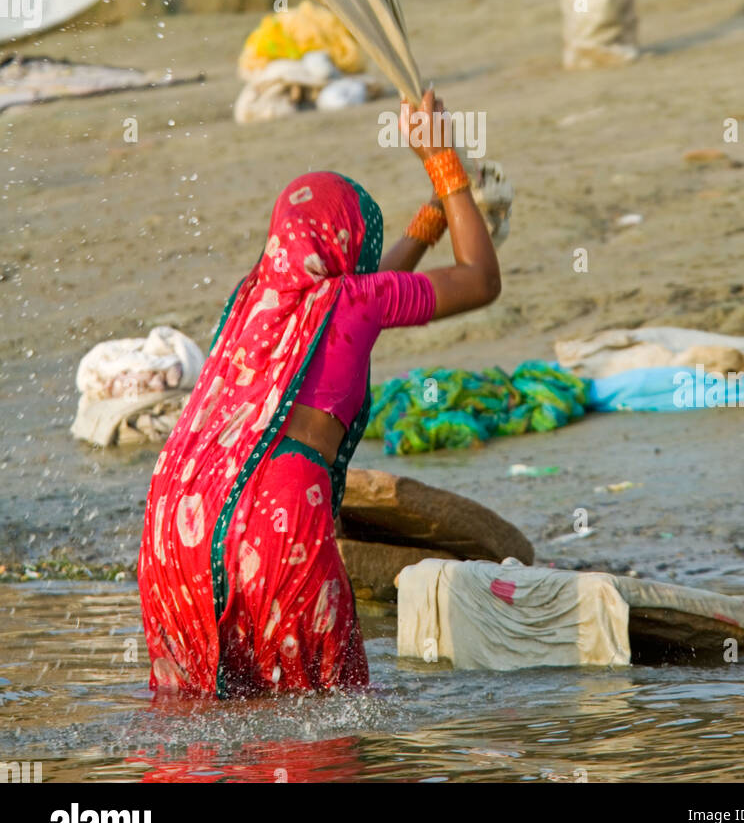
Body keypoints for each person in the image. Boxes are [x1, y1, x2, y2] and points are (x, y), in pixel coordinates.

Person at [138, 88, 501, 697]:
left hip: (179, 522)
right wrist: (445, 164)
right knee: (328, 719)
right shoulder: (351, 303)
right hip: (278, 516)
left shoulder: (256, 298)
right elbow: (481, 280)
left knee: (211, 716)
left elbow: (362, 290)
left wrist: (429, 224)